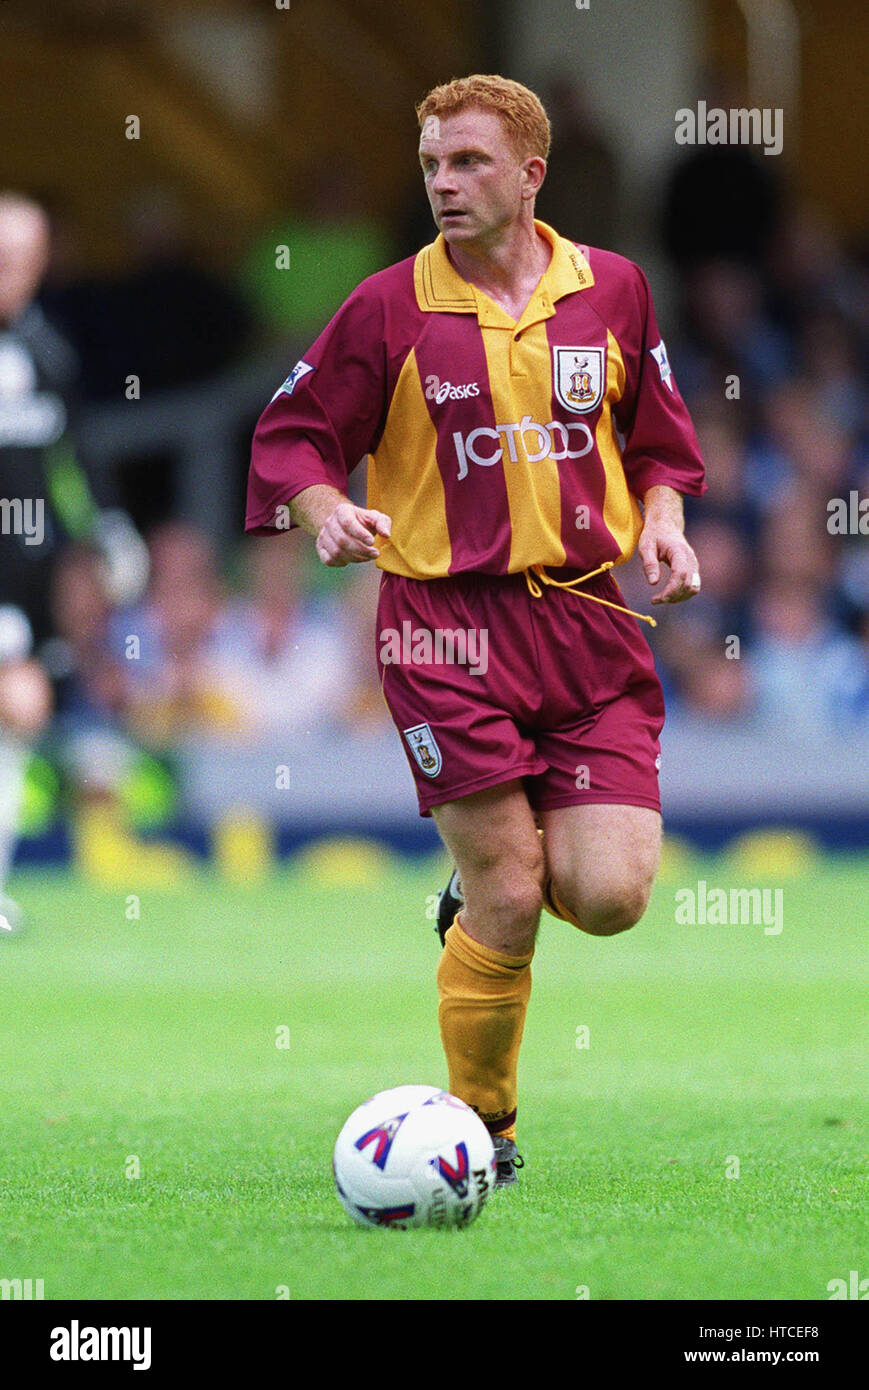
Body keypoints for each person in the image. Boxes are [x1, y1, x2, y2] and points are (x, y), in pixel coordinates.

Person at [246, 75, 705, 1188]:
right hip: (441, 629)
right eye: (432, 167)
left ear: (530, 174)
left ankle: (472, 905)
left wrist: (666, 527)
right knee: (510, 891)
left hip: (588, 618)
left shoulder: (616, 291)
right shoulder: (387, 307)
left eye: (468, 164)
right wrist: (324, 510)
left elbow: (657, 443)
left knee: (605, 898)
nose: (444, 185)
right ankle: (482, 1130)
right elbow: (291, 439)